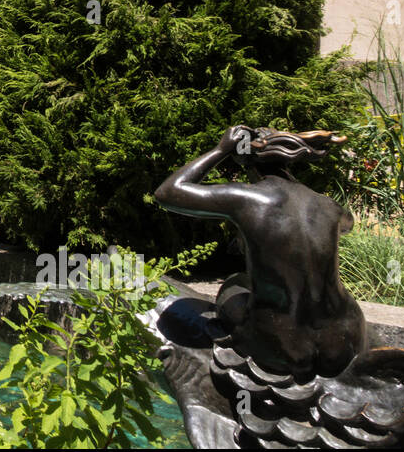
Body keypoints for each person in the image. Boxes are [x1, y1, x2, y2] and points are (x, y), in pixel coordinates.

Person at [154, 125, 366, 378]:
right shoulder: (329, 206)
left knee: (234, 284)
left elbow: (167, 192)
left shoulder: (246, 198)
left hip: (285, 348)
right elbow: (348, 223)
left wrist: (221, 150)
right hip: (346, 340)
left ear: (249, 162)